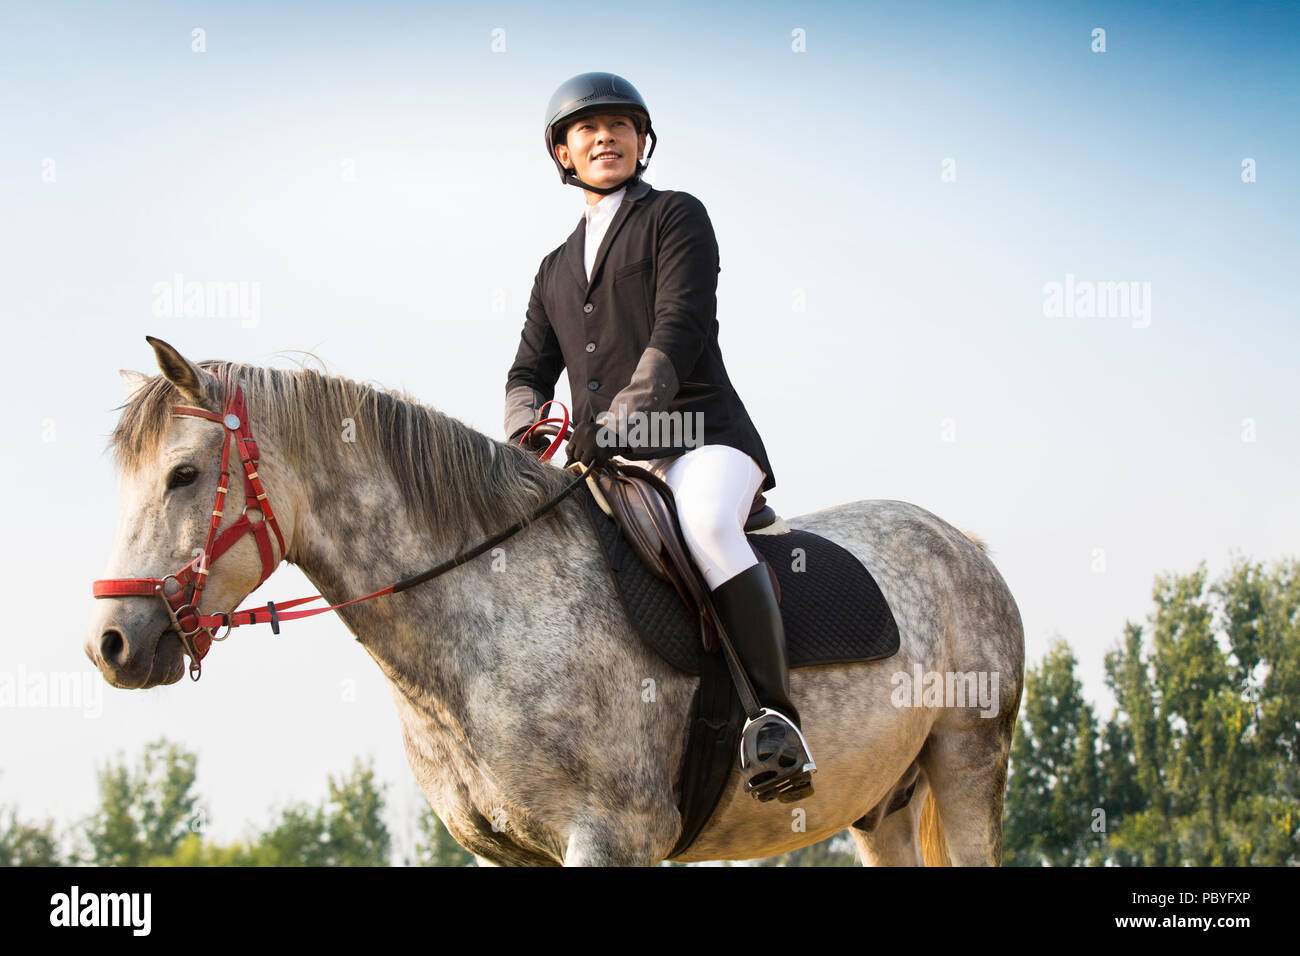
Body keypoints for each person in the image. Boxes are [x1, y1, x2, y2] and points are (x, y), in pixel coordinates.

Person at [504, 72, 814, 802]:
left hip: (699, 435)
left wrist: (628, 419)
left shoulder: (677, 216)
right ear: (563, 153)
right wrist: (524, 432)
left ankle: (776, 720)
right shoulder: (552, 269)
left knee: (706, 524)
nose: (603, 137)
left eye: (618, 125)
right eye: (586, 129)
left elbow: (680, 326)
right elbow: (527, 370)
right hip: (606, 464)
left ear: (642, 142)